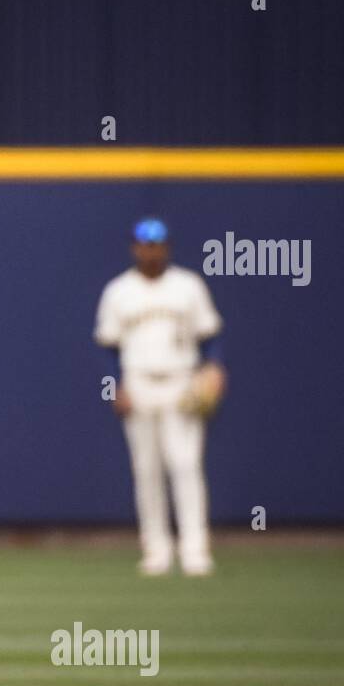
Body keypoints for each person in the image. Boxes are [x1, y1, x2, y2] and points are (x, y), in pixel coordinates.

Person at [94, 218, 225, 577]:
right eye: (144, 243)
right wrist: (114, 386)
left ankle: (195, 550)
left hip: (181, 381)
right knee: (146, 471)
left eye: (157, 243)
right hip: (138, 382)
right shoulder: (119, 291)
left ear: (166, 247)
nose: (150, 250)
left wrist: (214, 369)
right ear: (134, 247)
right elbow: (107, 346)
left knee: (185, 466)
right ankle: (156, 550)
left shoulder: (187, 286)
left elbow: (210, 335)